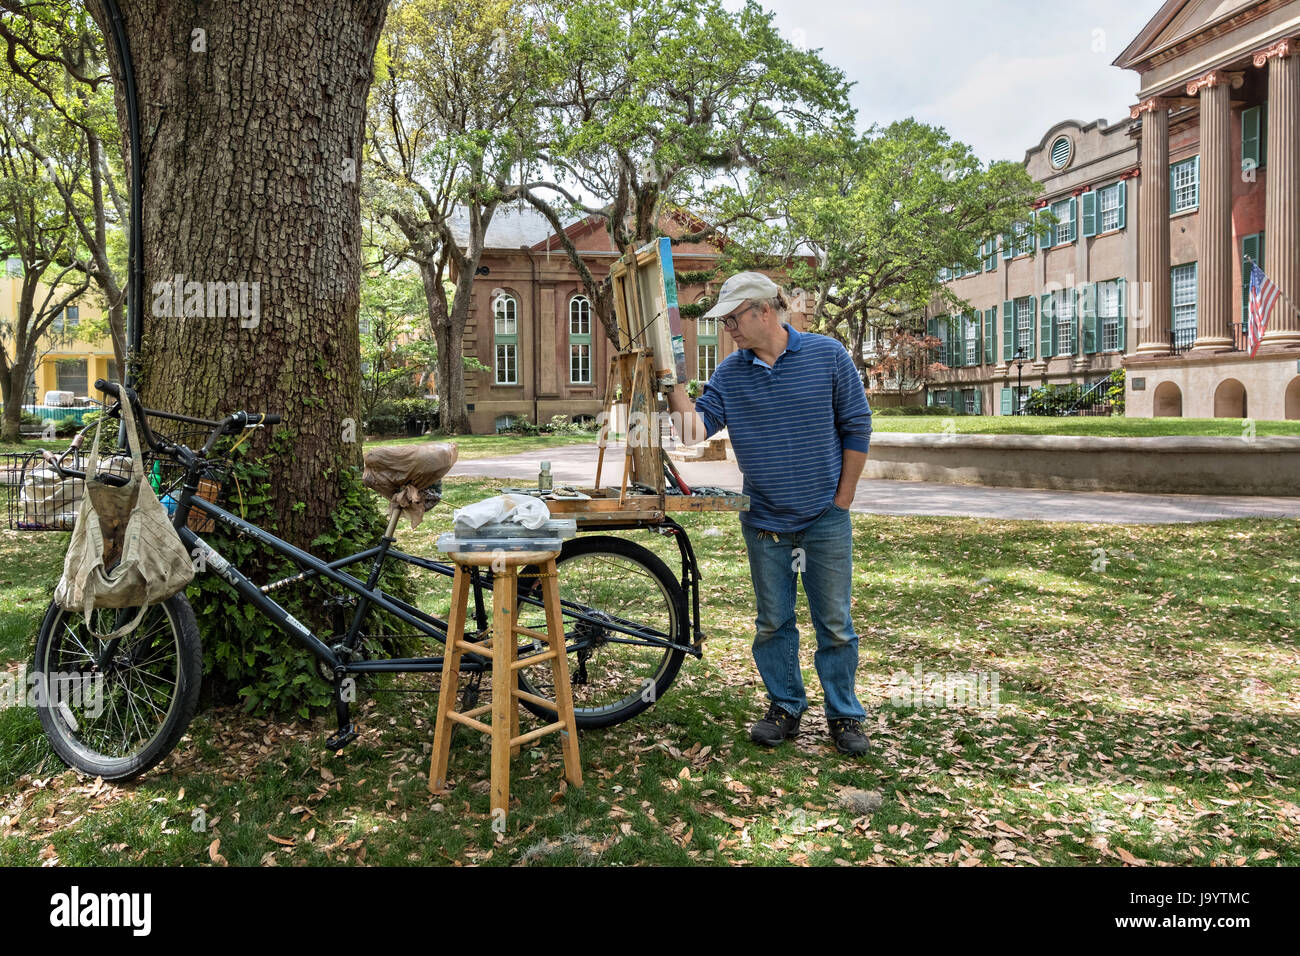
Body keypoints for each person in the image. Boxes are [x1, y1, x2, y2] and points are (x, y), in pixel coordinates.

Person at [665, 271, 873, 755]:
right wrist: (672, 384)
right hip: (764, 522)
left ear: (763, 311)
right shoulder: (731, 373)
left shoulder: (827, 356)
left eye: (733, 319)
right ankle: (785, 707)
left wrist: (842, 500)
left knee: (835, 623)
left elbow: (857, 426)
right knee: (773, 622)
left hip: (825, 516)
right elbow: (693, 434)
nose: (728, 330)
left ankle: (844, 715)